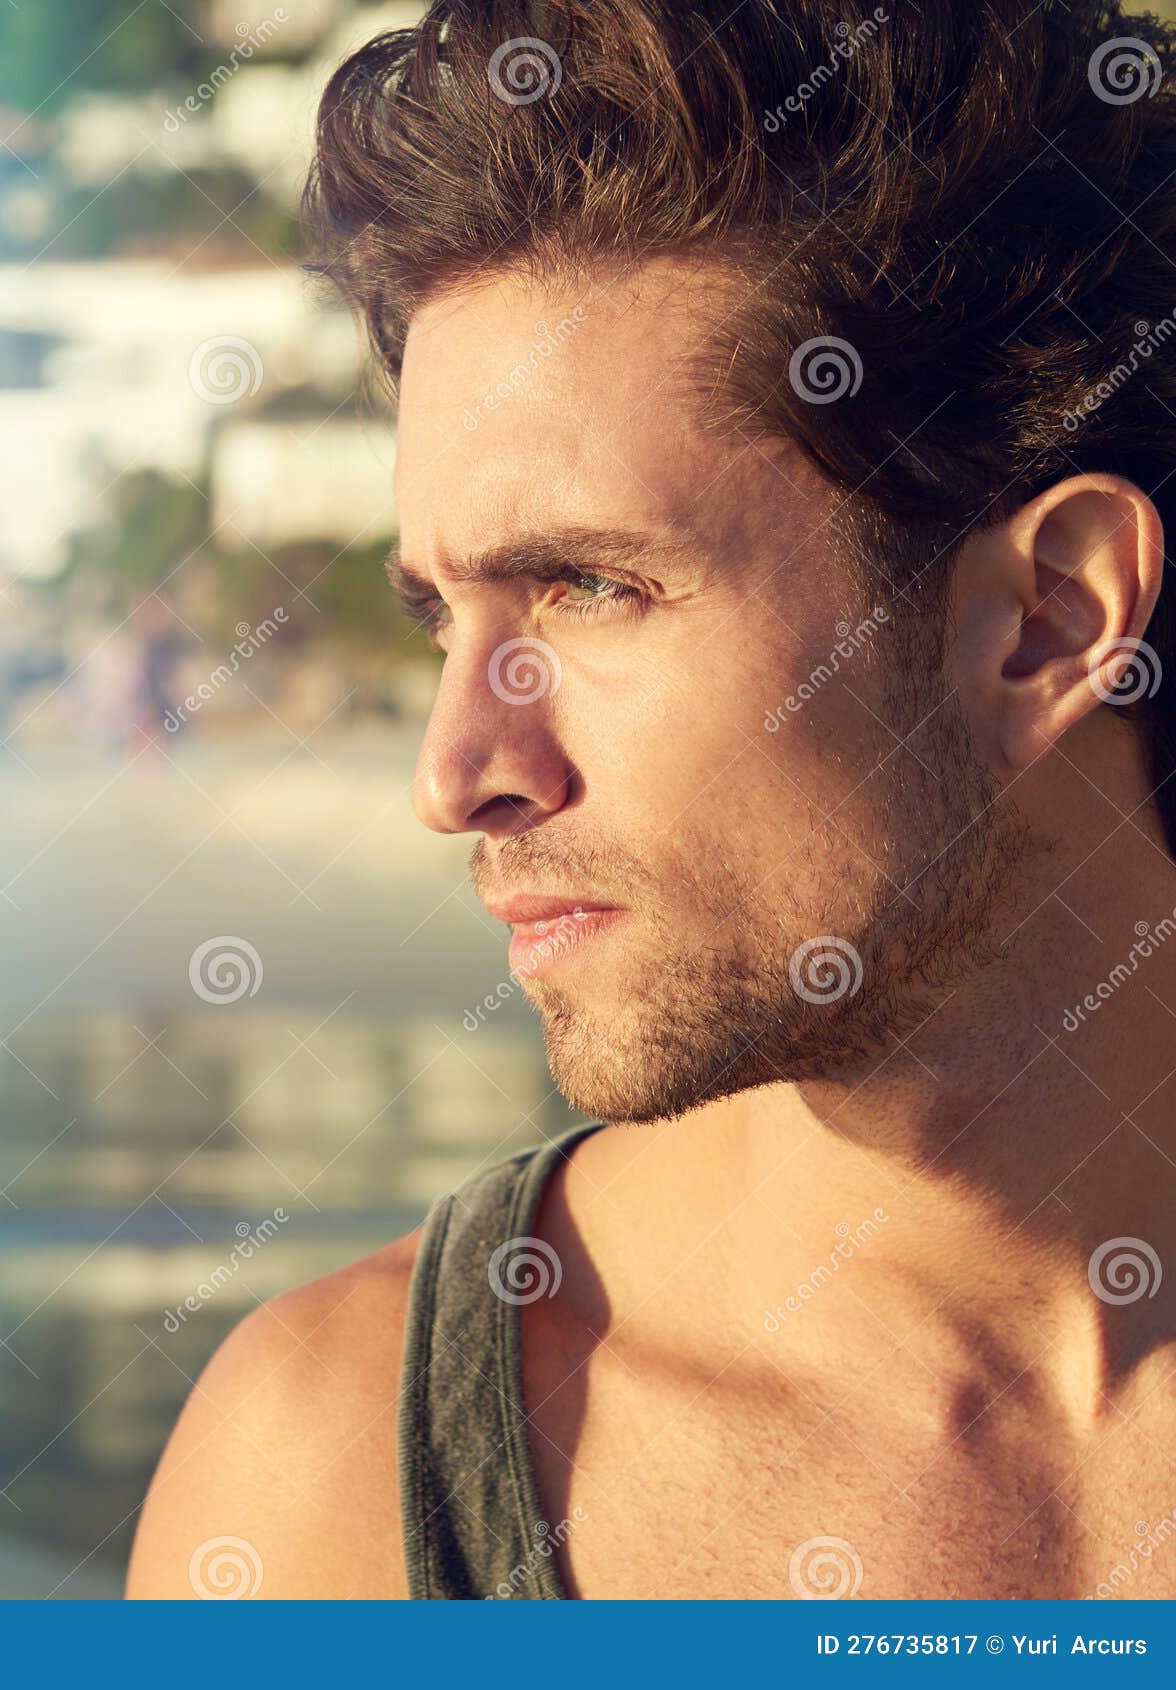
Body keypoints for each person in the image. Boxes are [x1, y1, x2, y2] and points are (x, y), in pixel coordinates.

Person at [128, 0, 1176, 1599]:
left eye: (587, 588)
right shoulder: (334, 1483)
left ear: (1045, 622)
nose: (455, 775)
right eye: (442, 617)